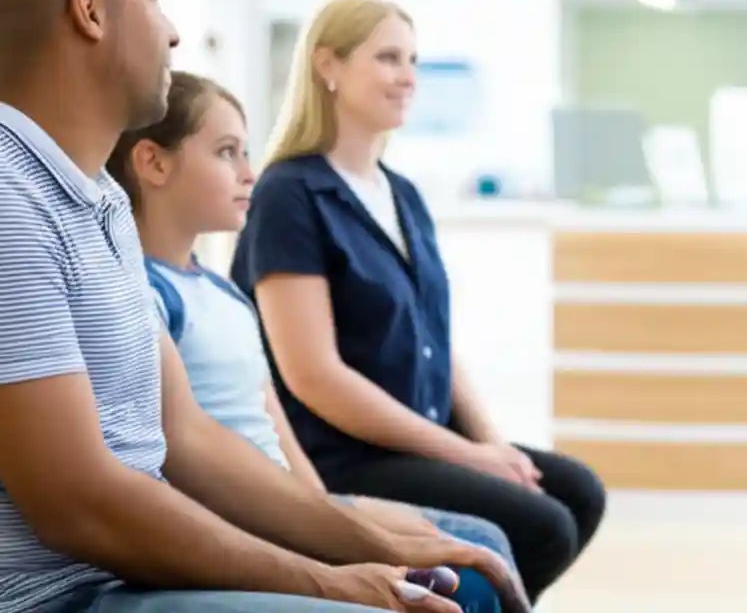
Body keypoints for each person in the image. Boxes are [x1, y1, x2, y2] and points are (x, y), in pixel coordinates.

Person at [0, 0, 518, 613]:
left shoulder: (99, 199)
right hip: (56, 596)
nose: (175, 29)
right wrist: (329, 579)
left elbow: (186, 436)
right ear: (88, 11)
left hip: (120, 576)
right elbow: (77, 503)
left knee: (469, 585)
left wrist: (373, 542)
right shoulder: (10, 202)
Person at [105, 71, 530, 613]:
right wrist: (338, 540)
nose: (249, 173)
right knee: (466, 582)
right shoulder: (148, 294)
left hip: (287, 500)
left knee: (484, 541)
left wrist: (334, 509)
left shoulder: (225, 294)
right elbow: (178, 456)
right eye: (226, 153)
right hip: (237, 518)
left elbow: (271, 420)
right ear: (153, 162)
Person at [230, 0, 607, 603]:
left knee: (577, 492)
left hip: (419, 437)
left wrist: (490, 446)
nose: (409, 77)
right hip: (343, 455)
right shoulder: (289, 195)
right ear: (328, 65)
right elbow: (314, 377)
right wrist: (465, 456)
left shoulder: (402, 194)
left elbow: (437, 340)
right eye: (387, 58)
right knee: (543, 525)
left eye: (412, 60)